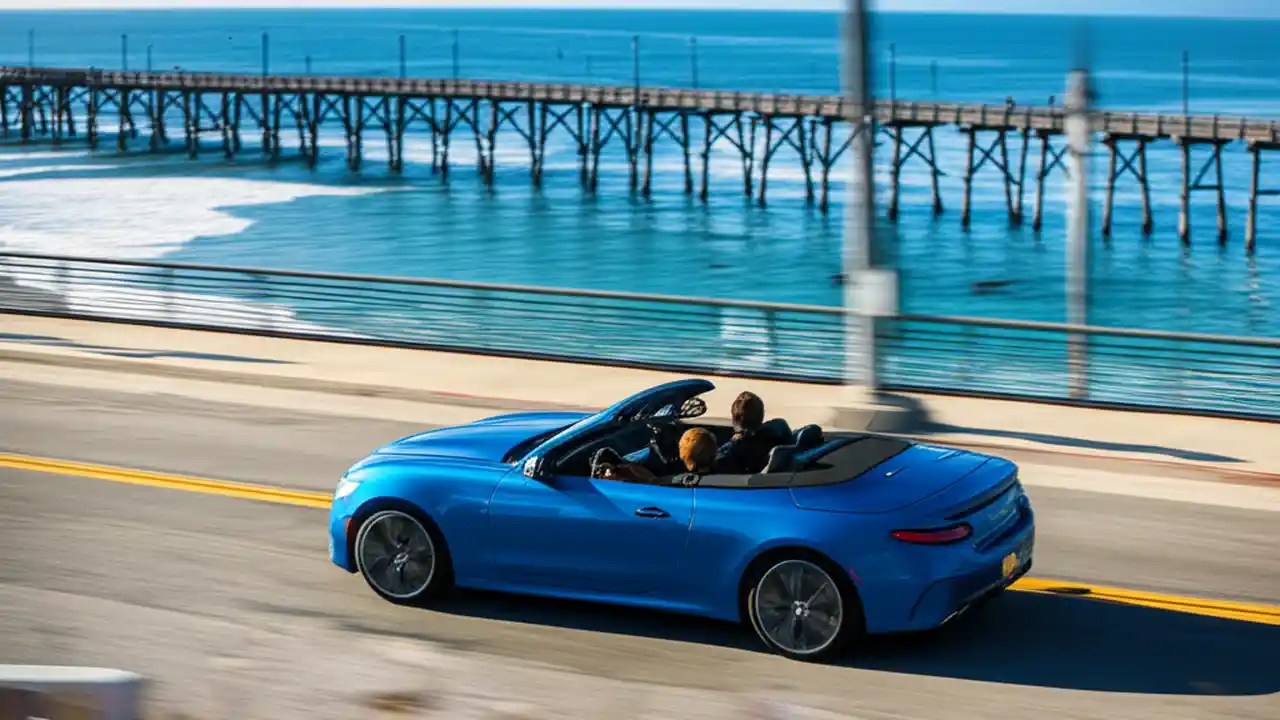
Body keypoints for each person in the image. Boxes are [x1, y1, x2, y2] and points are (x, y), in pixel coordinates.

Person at [716, 391, 784, 474]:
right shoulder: (780, 433)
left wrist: (734, 442)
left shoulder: (731, 451)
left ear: (734, 419)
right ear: (761, 415)